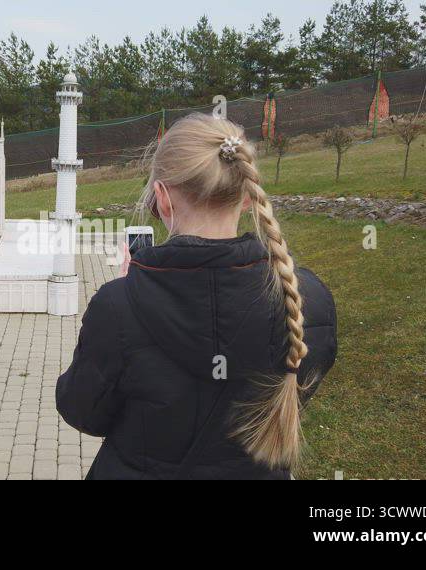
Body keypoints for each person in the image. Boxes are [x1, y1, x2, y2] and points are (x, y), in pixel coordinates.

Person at [56, 114, 337, 480]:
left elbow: (84, 412)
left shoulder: (117, 304)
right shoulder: (305, 297)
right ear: (249, 197)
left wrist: (131, 298)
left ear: (161, 197)